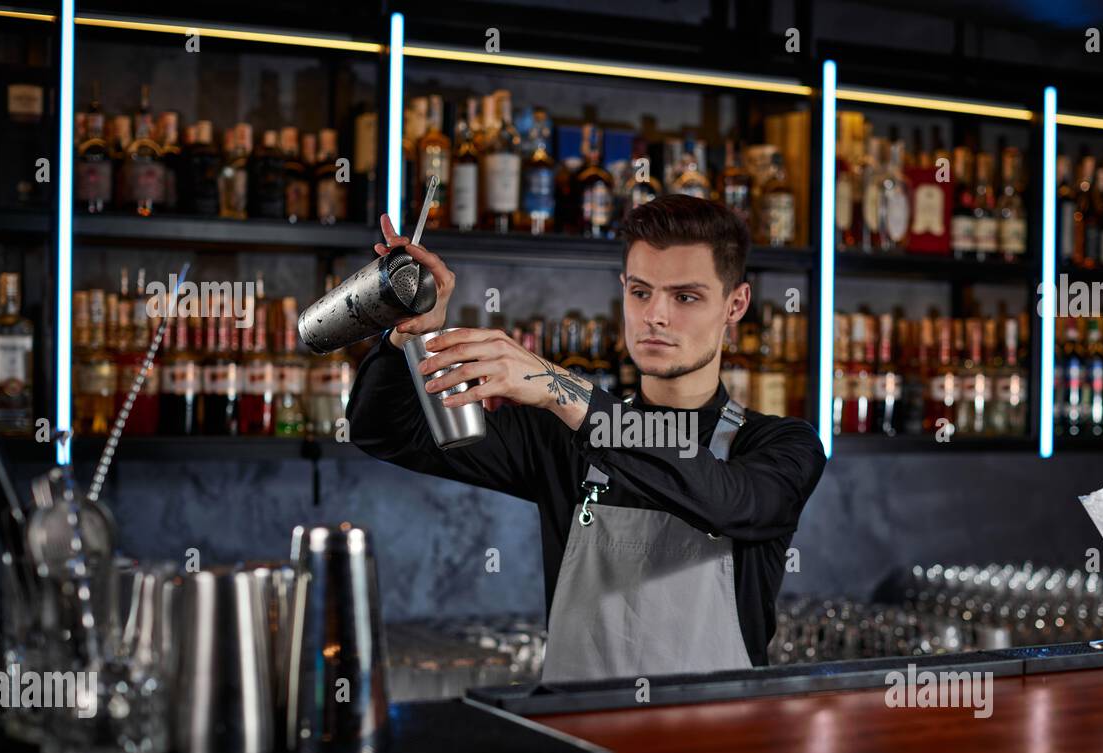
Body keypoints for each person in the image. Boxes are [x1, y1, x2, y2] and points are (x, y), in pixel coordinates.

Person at [346, 194, 826, 682]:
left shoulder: (781, 445)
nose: (655, 316)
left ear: (735, 304)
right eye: (641, 292)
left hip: (713, 748)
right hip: (582, 741)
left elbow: (726, 500)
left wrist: (559, 388)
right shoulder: (559, 437)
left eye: (685, 297)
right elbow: (383, 430)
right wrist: (407, 337)